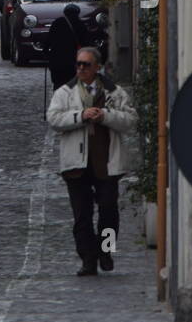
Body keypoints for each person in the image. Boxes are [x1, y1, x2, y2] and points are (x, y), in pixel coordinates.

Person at [46, 47, 137, 276]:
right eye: (78, 64)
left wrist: (106, 116)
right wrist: (81, 116)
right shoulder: (65, 92)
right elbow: (54, 118)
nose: (81, 68)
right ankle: (87, 259)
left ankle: (106, 251)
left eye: (86, 64)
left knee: (109, 210)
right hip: (76, 164)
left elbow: (130, 120)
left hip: (107, 162)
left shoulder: (114, 93)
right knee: (82, 216)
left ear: (97, 67)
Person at [47, 3, 91, 89]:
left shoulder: (57, 23)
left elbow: (47, 42)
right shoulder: (80, 25)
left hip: (57, 62)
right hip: (73, 62)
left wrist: (48, 57)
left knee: (58, 85)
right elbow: (86, 44)